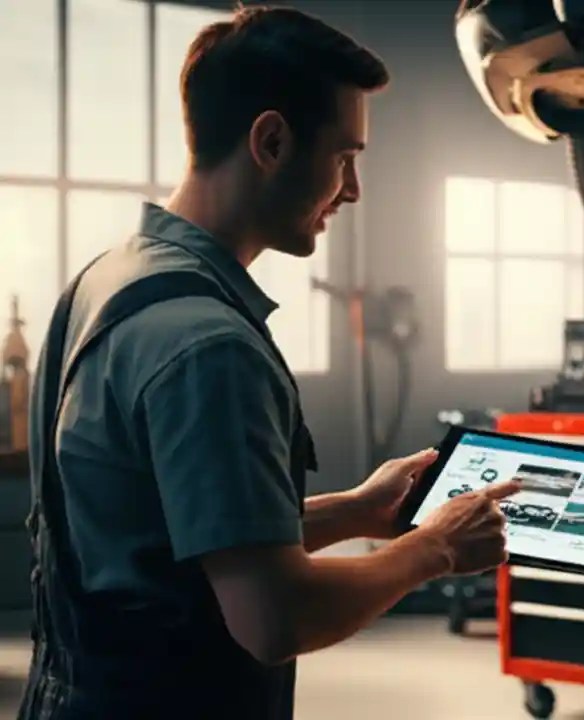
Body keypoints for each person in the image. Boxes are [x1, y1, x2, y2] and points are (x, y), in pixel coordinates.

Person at [19, 7, 517, 719]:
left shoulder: (104, 282)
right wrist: (434, 550)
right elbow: (275, 616)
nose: (352, 190)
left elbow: (172, 541)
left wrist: (355, 511)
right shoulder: (211, 349)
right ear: (273, 141)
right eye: (345, 157)